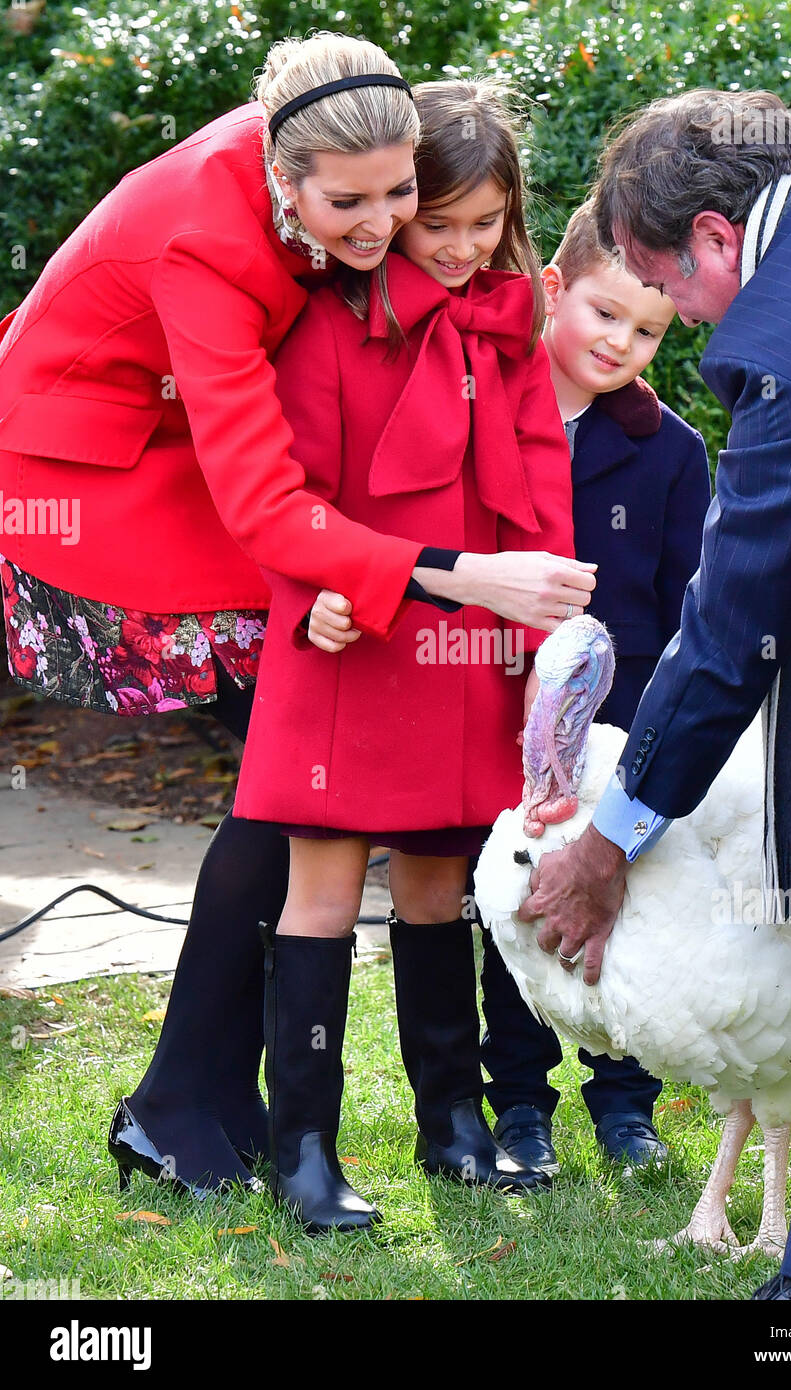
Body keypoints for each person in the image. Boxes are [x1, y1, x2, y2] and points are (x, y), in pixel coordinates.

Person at [0, 31, 592, 1198]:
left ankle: (199, 1100)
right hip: (104, 471)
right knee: (294, 764)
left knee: (294, 775)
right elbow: (271, 507)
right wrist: (461, 578)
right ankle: (196, 1104)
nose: (379, 226)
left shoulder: (330, 132)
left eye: (399, 195)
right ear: (285, 181)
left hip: (211, 446)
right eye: (349, 206)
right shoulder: (207, 244)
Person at [516, 87, 791, 1301]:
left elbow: (727, 632)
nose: (685, 322)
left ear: (711, 237)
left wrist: (609, 838)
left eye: (672, 290)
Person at [232, 76, 593, 1234]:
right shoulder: (326, 325)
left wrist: (550, 633)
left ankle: (455, 1123)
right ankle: (306, 1149)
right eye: (437, 222)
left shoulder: (511, 324)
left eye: (484, 222)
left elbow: (540, 492)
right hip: (346, 636)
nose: (459, 245)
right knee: (324, 895)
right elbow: (291, 502)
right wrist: (318, 604)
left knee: (440, 885)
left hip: (466, 649)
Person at [471, 199, 710, 1175]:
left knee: (628, 906)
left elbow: (695, 606)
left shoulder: (672, 455)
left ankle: (625, 1101)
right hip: (499, 713)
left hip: (625, 723)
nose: (623, 341)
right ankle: (519, 1104)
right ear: (555, 290)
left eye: (648, 328)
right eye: (606, 314)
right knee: (514, 907)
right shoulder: (482, 412)